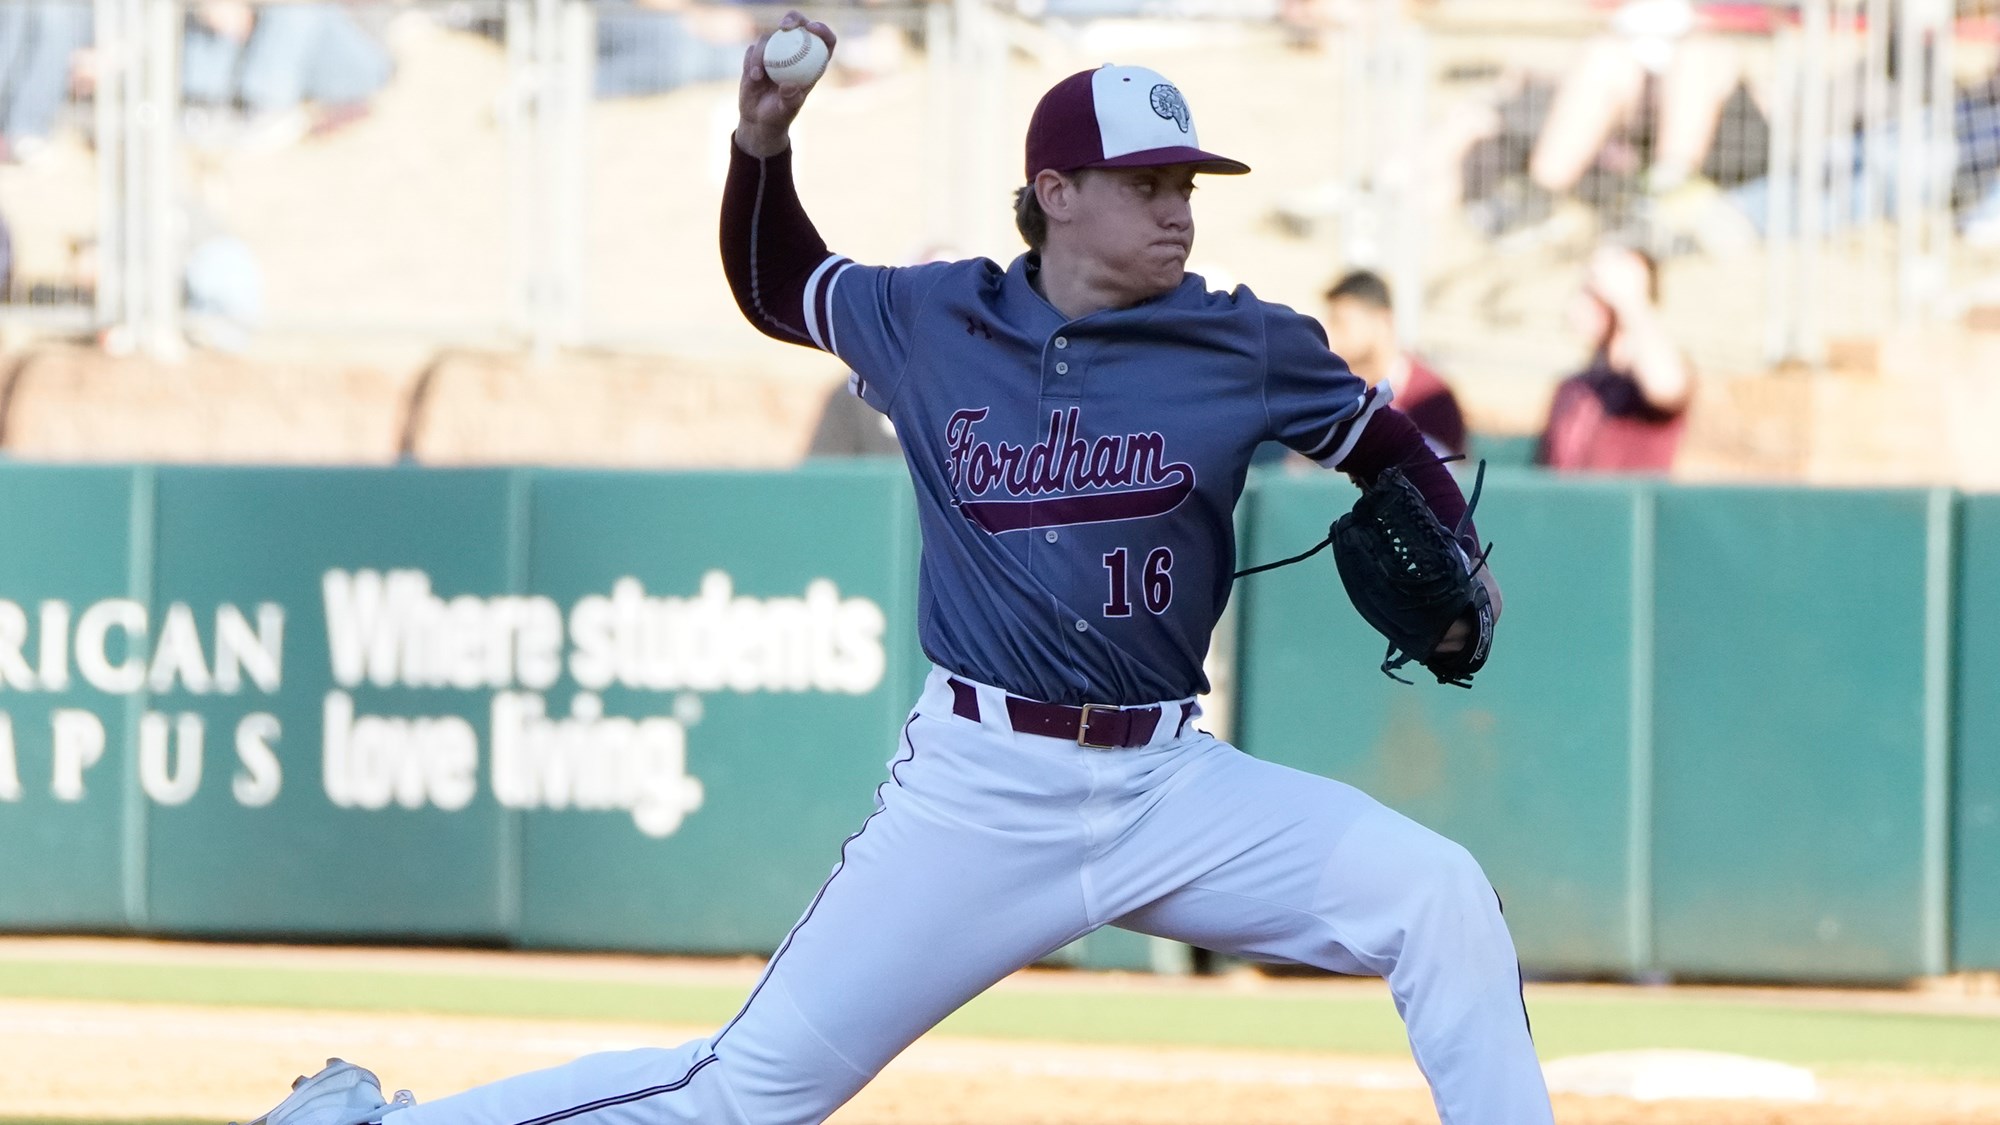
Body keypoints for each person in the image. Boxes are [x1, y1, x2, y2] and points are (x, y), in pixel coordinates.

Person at [235, 14, 1553, 1125]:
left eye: (1187, 185)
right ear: (1056, 192)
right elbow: (779, 284)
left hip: (1169, 781)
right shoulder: (935, 318)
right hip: (984, 786)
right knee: (745, 1093)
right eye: (1149, 182)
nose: (1179, 209)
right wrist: (762, 144)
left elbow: (1385, 442)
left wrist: (1462, 555)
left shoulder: (1242, 341)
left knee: (1434, 895)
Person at [1535, 243, 1693, 472]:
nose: (1583, 300)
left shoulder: (1648, 381)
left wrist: (1629, 302)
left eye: (1597, 292)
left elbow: (1665, 385)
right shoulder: (1572, 387)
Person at [1321, 268, 1467, 459]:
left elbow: (1442, 469)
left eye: (1341, 323)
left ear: (1383, 321)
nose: (1330, 336)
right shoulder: (1333, 392)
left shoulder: (1430, 397)